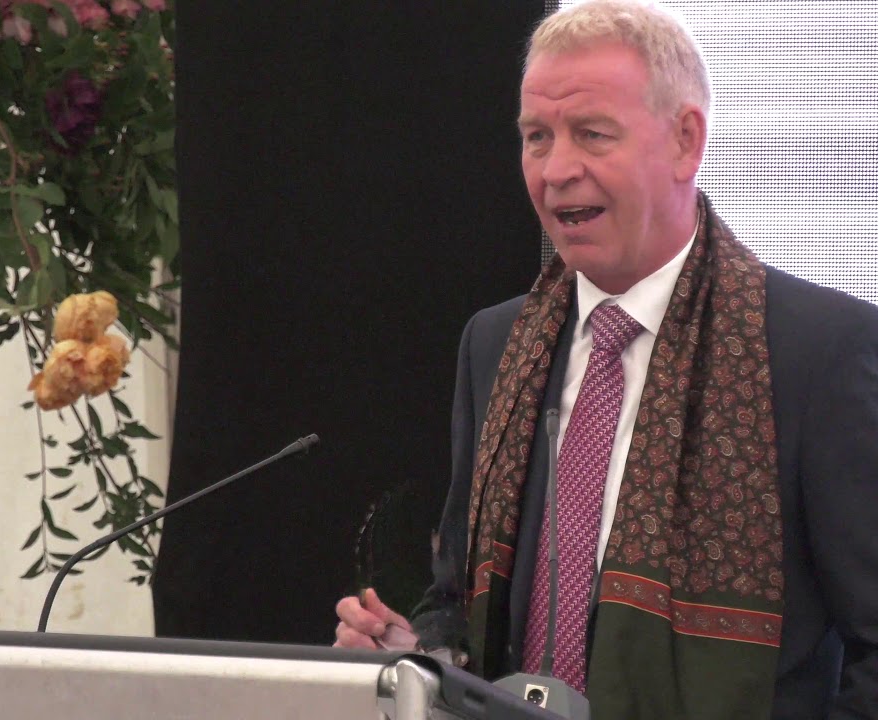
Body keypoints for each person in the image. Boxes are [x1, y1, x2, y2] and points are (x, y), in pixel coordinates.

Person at [334, 1, 878, 718]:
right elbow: (456, 599)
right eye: (537, 137)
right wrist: (417, 655)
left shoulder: (820, 351)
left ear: (686, 141)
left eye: (592, 134)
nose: (557, 170)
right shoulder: (496, 344)